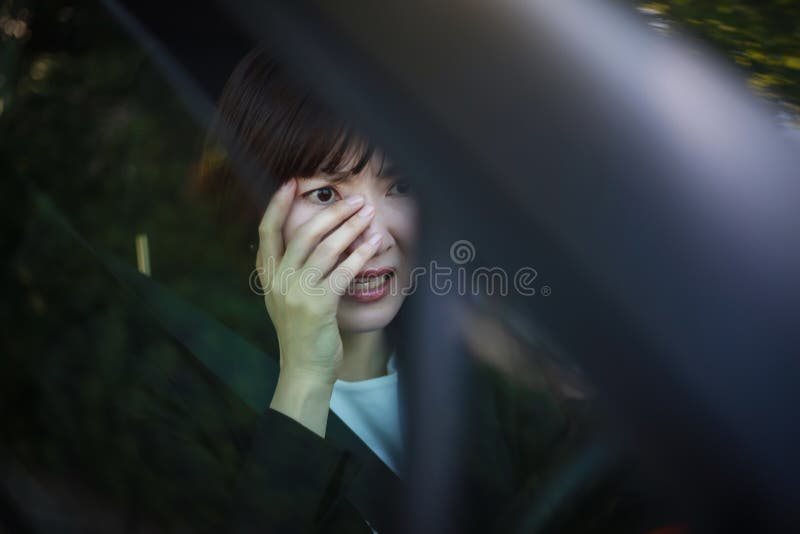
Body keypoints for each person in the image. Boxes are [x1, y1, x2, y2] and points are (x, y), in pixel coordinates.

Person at [193, 48, 681, 534]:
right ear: (257, 205)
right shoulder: (209, 397)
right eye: (325, 194)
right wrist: (304, 375)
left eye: (401, 185)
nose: (373, 237)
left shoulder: (480, 369)